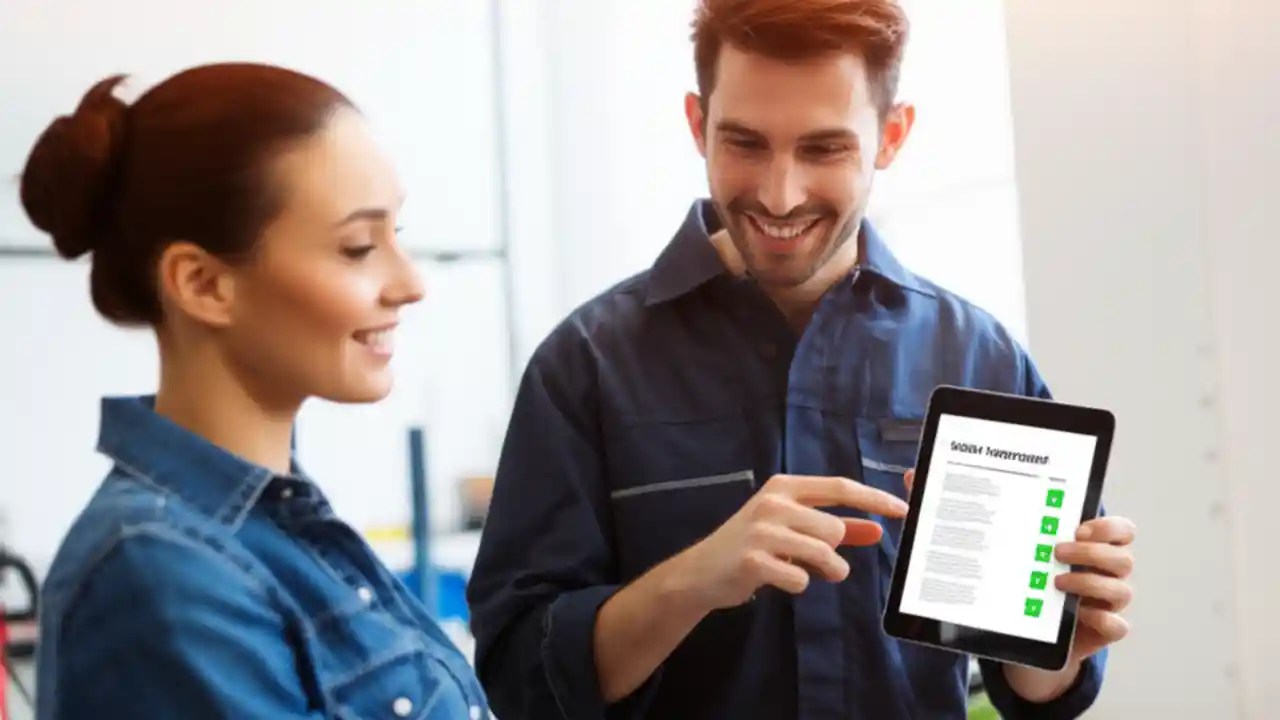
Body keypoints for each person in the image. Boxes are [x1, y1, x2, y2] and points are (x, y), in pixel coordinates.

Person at [466, 0, 1137, 718]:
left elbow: (1030, 691)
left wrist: (1055, 653)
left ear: (891, 136)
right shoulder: (586, 366)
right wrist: (694, 581)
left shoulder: (979, 357)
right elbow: (519, 678)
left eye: (824, 150)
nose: (779, 195)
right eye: (745, 143)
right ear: (697, 124)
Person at [23, 64, 488, 719]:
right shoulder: (162, 570)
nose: (411, 284)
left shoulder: (280, 530)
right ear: (204, 284)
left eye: (397, 236)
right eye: (358, 247)